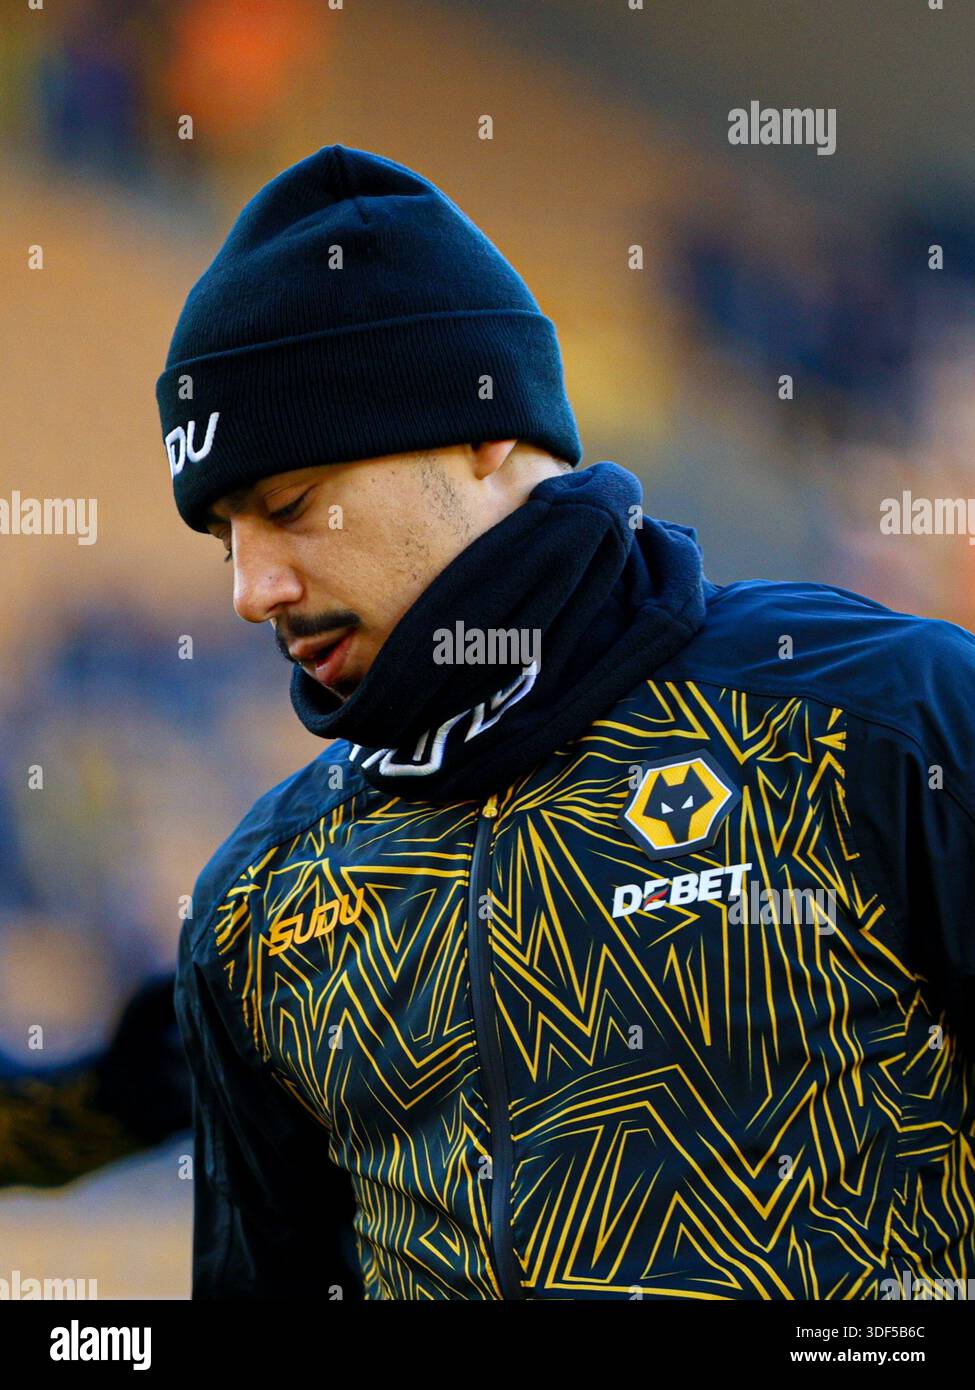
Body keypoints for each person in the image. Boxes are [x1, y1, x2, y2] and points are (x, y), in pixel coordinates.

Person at [155, 144, 975, 1301]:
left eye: (291, 506)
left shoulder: (887, 722)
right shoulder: (259, 902)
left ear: (485, 432)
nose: (253, 588)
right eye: (225, 532)